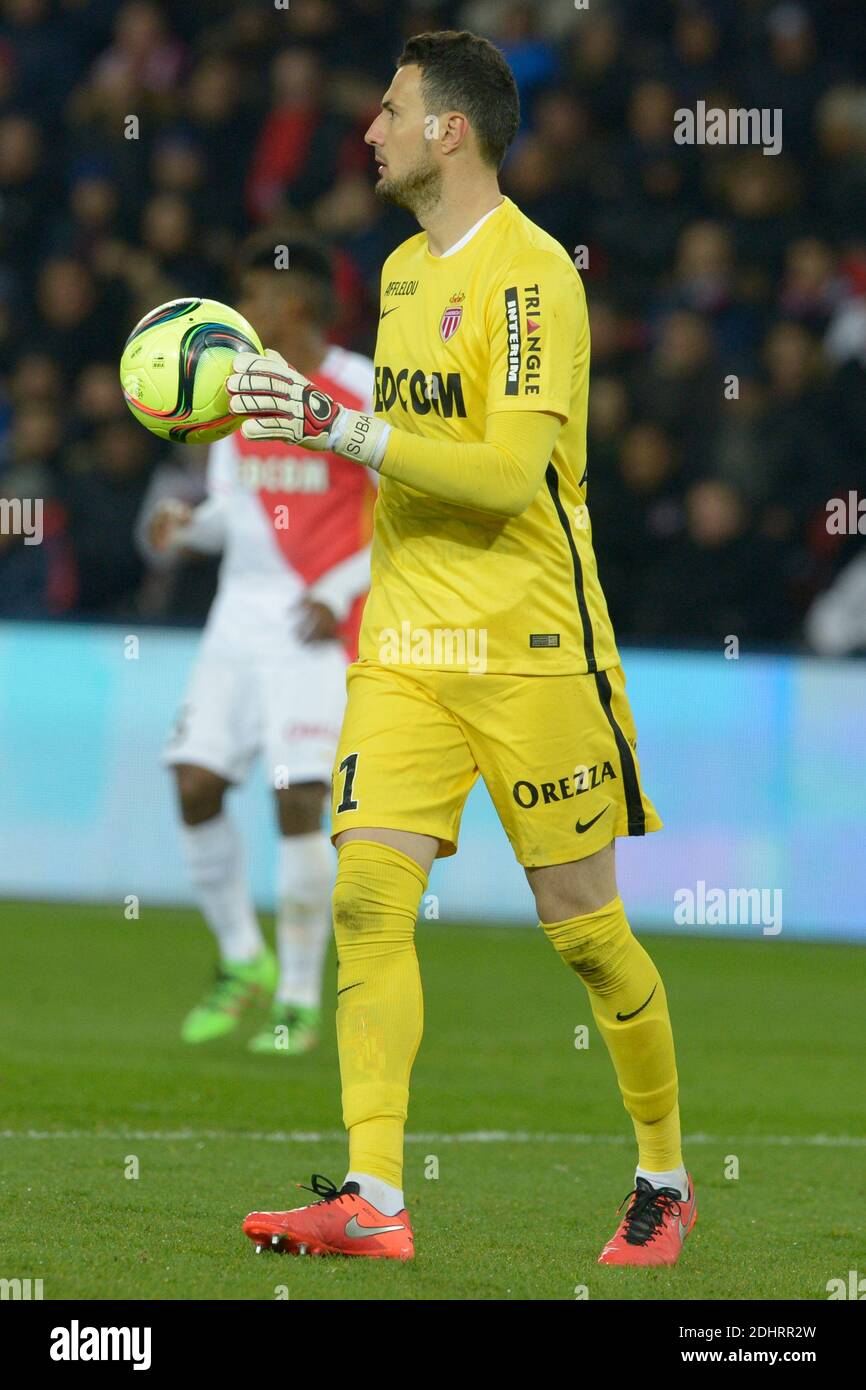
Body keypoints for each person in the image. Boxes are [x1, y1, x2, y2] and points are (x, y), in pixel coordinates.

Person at [229, 30, 695, 1266]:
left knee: (585, 932)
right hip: (407, 647)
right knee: (369, 896)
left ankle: (663, 1173)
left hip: (535, 647)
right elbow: (401, 456)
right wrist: (317, 423)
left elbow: (501, 474)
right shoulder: (389, 274)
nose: (367, 131)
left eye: (388, 111)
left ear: (449, 130)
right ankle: (375, 1195)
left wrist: (349, 432)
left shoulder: (536, 277)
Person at [146, 237, 376, 1055]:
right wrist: (187, 525)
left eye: (257, 298)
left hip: (315, 624)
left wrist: (338, 589)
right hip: (237, 619)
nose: (242, 315)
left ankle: (299, 998)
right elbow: (232, 512)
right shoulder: (233, 394)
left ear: (302, 305)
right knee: (196, 782)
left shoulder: (359, 387)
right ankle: (242, 958)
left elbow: (410, 517)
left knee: (296, 798)